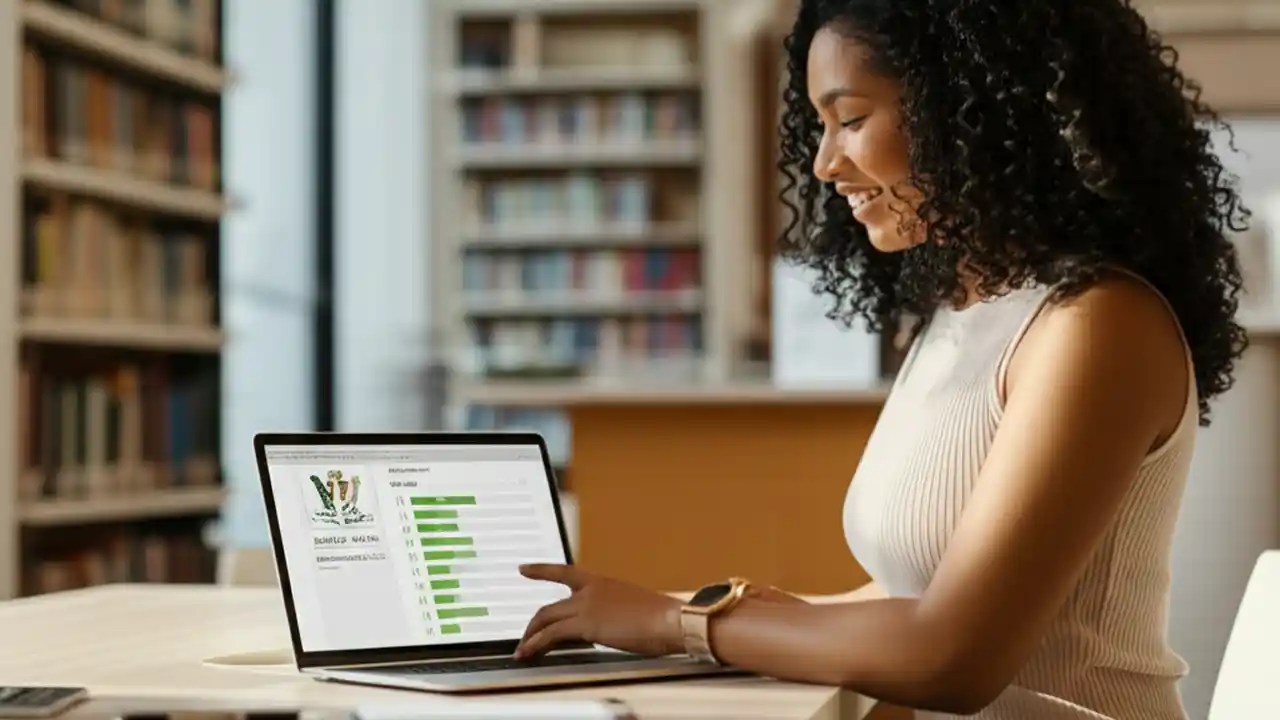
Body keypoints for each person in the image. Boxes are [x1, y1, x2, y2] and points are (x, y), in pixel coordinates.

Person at [513, 0, 1250, 716]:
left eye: (853, 118)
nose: (827, 164)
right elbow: (908, 596)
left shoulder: (1095, 327)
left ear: (973, 112)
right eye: (821, 126)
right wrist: (658, 610)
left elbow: (949, 656)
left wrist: (676, 626)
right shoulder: (964, 316)